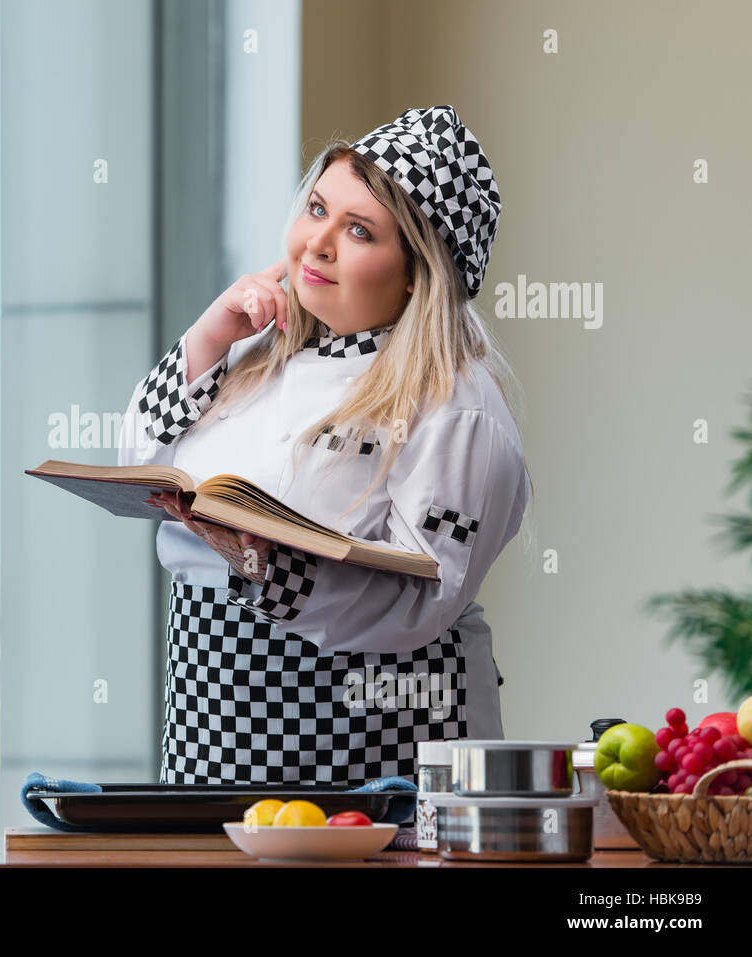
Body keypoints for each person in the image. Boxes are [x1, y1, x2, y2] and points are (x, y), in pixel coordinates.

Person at [117, 105, 534, 786]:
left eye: (359, 230)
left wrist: (257, 561)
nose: (317, 243)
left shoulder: (460, 410)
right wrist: (208, 335)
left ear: (416, 274)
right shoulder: (251, 348)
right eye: (316, 208)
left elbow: (421, 602)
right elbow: (140, 457)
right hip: (212, 710)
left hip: (371, 738)